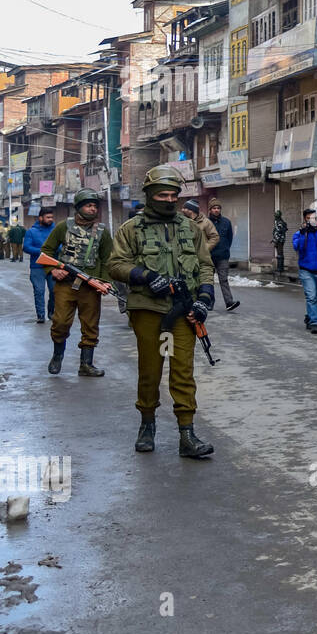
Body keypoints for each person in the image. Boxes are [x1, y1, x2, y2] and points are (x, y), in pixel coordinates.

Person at [106, 165, 216, 458]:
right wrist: (143, 276)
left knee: (182, 371)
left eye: (173, 195)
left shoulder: (190, 228)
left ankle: (187, 434)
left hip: (182, 311)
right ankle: (147, 424)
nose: (169, 200)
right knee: (151, 370)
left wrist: (205, 296)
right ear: (151, 196)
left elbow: (205, 265)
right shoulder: (130, 230)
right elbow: (115, 265)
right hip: (148, 311)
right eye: (163, 195)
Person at [40, 189, 114, 376]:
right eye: (88, 205)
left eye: (95, 206)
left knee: (90, 325)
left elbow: (108, 259)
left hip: (90, 287)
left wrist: (104, 282)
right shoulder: (64, 226)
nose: (92, 209)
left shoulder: (103, 232)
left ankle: (86, 365)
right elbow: (46, 251)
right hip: (66, 285)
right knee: (60, 322)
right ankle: (57, 356)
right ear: (79, 207)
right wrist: (53, 270)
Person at [23, 209, 56, 323]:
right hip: (37, 267)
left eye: (51, 217)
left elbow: (61, 245)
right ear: (40, 218)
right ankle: (41, 315)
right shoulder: (31, 232)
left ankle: (52, 312)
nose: (50, 219)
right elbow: (26, 247)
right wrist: (41, 251)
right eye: (48, 217)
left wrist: (55, 251)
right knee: (39, 291)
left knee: (55, 291)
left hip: (53, 266)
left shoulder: (55, 231)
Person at [207, 199, 238, 312]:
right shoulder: (206, 222)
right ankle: (209, 302)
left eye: (218, 208)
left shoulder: (226, 222)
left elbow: (229, 238)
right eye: (214, 208)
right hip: (208, 256)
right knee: (208, 281)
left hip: (223, 256)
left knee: (224, 280)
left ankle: (229, 302)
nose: (216, 210)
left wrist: (225, 249)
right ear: (210, 210)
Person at [271, 210, 288, 274]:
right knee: (280, 254)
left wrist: (276, 241)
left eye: (275, 216)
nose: (274, 217)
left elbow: (279, 233)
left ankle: (280, 268)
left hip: (279, 241)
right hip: (279, 240)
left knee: (279, 254)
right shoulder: (279, 222)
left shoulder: (280, 223)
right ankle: (280, 268)